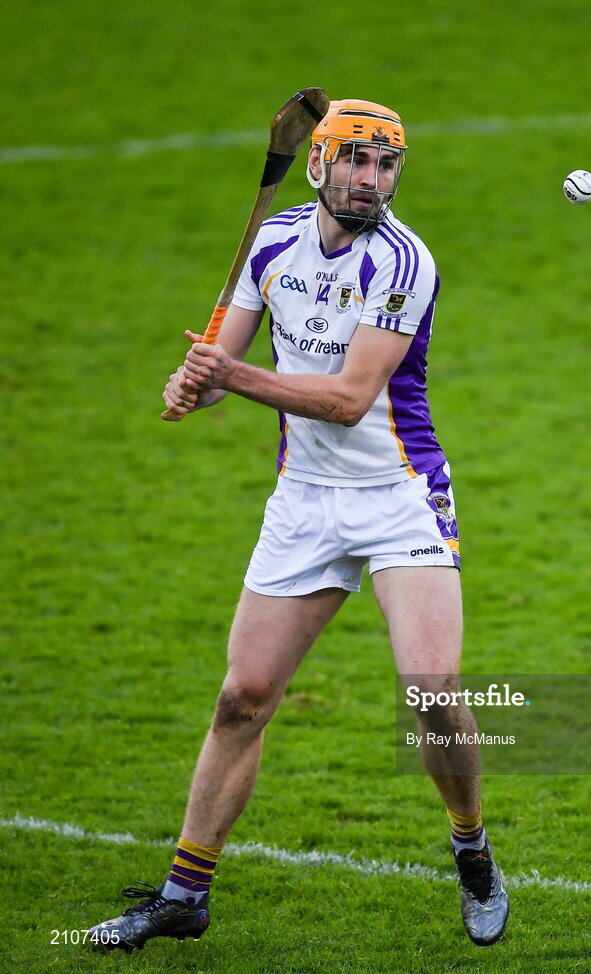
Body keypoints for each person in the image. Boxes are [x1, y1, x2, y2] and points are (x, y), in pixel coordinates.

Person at [87, 98, 509, 951]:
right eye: (356, 161)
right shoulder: (271, 243)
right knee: (242, 698)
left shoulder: (404, 261)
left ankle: (471, 844)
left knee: (431, 690)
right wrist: (192, 385)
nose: (371, 180)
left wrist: (230, 378)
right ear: (317, 164)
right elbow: (221, 358)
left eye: (386, 165)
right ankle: (184, 891)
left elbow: (351, 400)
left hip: (398, 494)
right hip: (305, 499)